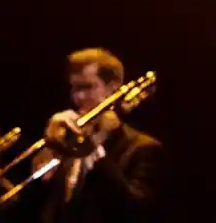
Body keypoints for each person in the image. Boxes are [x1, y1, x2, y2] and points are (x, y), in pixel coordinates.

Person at [32, 47, 163, 223]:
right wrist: (50, 147)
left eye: (86, 87)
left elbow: (134, 211)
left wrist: (91, 151)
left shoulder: (143, 148)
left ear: (113, 88)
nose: (78, 97)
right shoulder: (67, 144)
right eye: (74, 88)